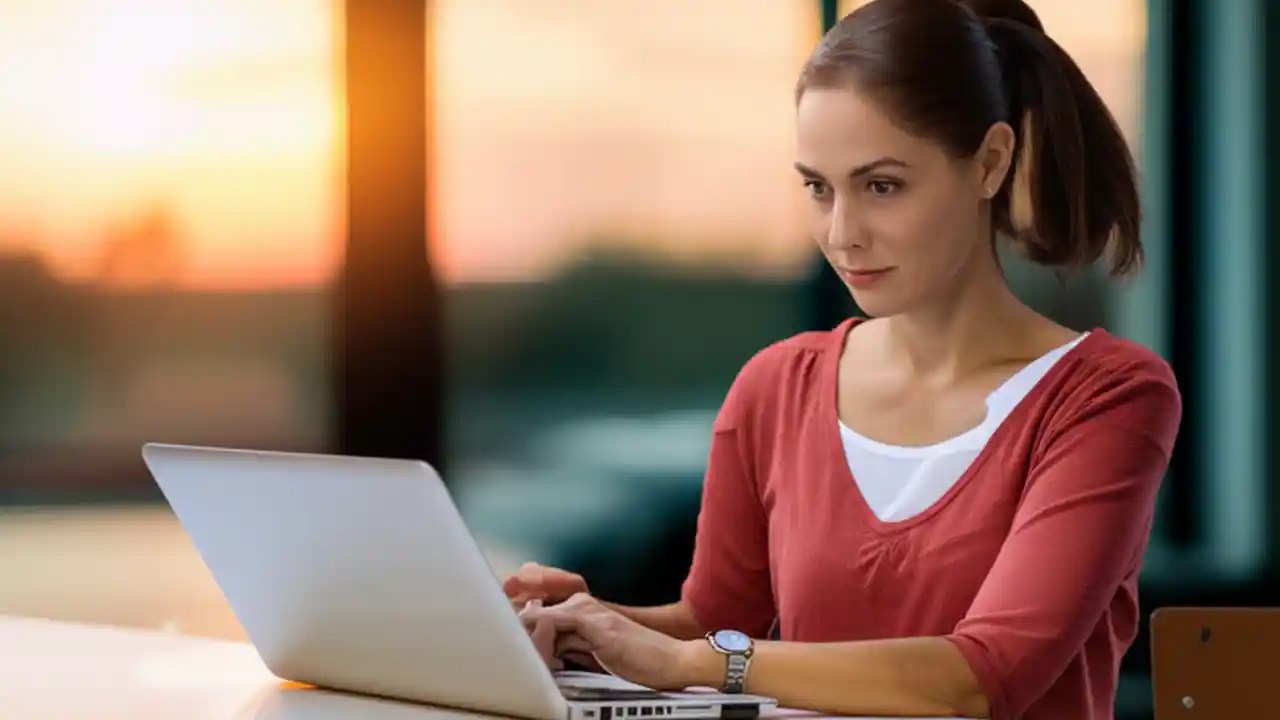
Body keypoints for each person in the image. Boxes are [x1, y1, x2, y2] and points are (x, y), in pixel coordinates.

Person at [507, 0, 1181, 717]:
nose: (842, 233)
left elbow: (981, 677)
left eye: (881, 186)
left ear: (990, 162)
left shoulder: (1107, 397)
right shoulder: (777, 387)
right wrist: (583, 622)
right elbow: (707, 629)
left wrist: (690, 659)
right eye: (818, 188)